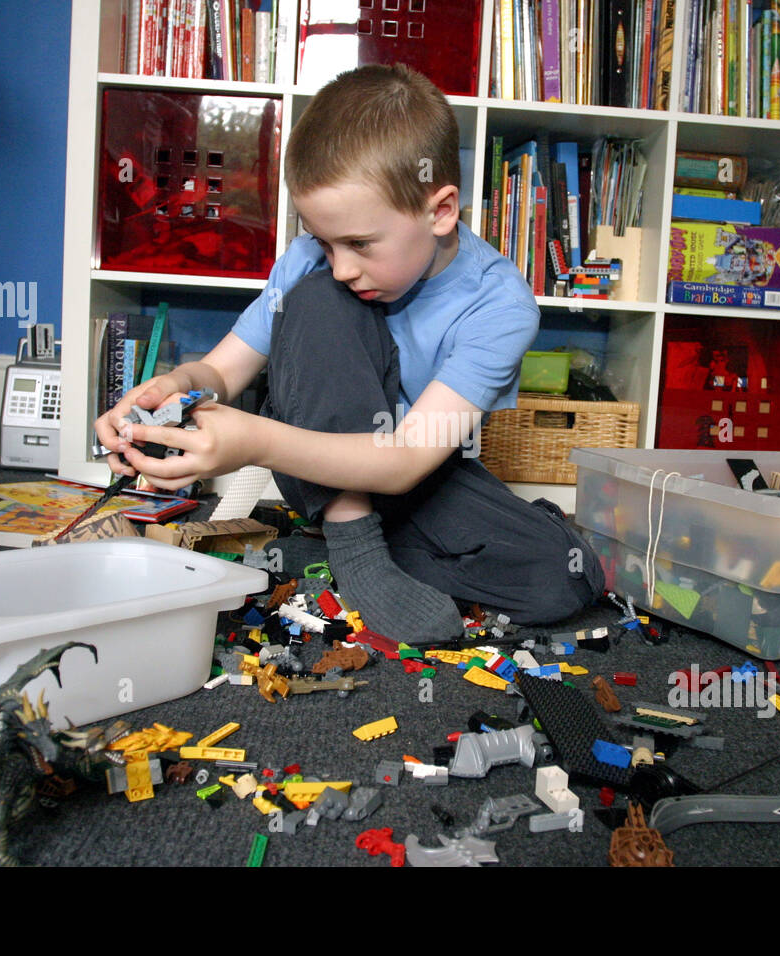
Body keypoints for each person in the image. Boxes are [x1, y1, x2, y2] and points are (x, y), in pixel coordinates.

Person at [95, 63, 604, 644]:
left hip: (416, 468)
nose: (342, 264)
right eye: (323, 239)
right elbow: (220, 370)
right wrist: (172, 386)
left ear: (440, 211)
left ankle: (359, 548)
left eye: (360, 243)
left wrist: (251, 442)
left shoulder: (500, 304)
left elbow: (411, 458)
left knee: (563, 576)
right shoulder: (318, 269)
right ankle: (353, 541)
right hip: (309, 451)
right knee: (320, 298)